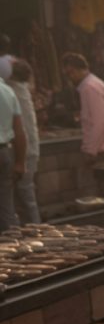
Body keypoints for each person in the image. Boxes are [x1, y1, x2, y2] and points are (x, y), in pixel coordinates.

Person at [62, 53, 104, 176]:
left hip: (97, 150)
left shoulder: (89, 87)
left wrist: (90, 150)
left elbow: (99, 122)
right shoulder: (92, 84)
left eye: (71, 73)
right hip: (99, 147)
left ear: (80, 69)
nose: (70, 77)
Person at [7, 60, 39, 224]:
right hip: (27, 150)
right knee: (24, 198)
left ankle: (36, 232)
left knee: (24, 198)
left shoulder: (13, 91)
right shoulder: (20, 90)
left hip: (22, 151)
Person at [0, 72, 27, 230]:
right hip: (5, 152)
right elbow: (19, 131)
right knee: (6, 208)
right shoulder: (7, 91)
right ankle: (12, 241)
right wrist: (20, 162)